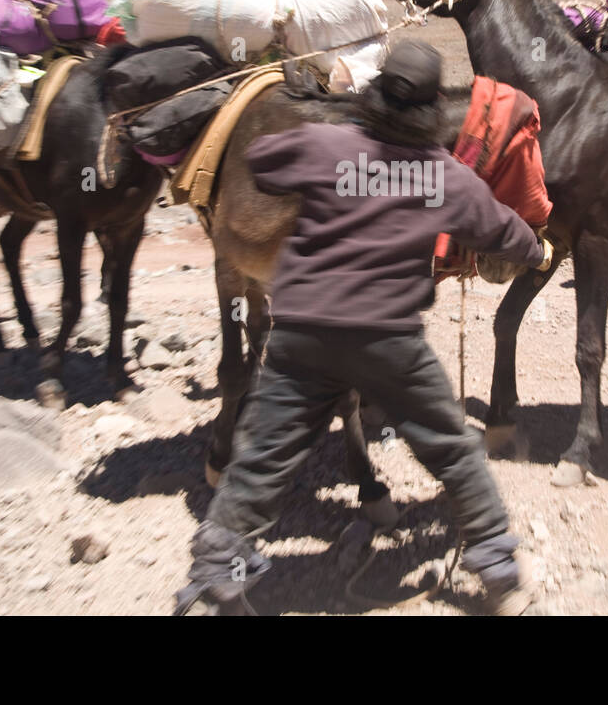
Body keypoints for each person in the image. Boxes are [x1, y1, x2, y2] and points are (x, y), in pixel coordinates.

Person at [174, 40, 554, 616]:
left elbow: (263, 164)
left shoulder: (325, 144)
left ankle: (213, 574)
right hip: (385, 338)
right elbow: (502, 231)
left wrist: (329, 149)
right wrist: (538, 250)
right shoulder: (441, 175)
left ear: (375, 96)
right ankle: (500, 571)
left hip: (302, 331)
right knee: (450, 445)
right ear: (431, 112)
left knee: (264, 453)